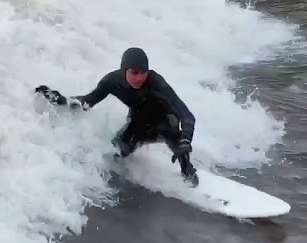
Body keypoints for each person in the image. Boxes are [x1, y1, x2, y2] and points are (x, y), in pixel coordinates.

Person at [35, 47, 199, 186]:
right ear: (124, 70)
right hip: (139, 123)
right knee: (116, 151)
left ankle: (188, 171)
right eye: (135, 72)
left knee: (170, 127)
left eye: (144, 72)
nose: (140, 77)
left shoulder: (156, 83)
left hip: (165, 122)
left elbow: (186, 115)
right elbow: (88, 101)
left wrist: (185, 139)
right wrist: (62, 100)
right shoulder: (111, 82)